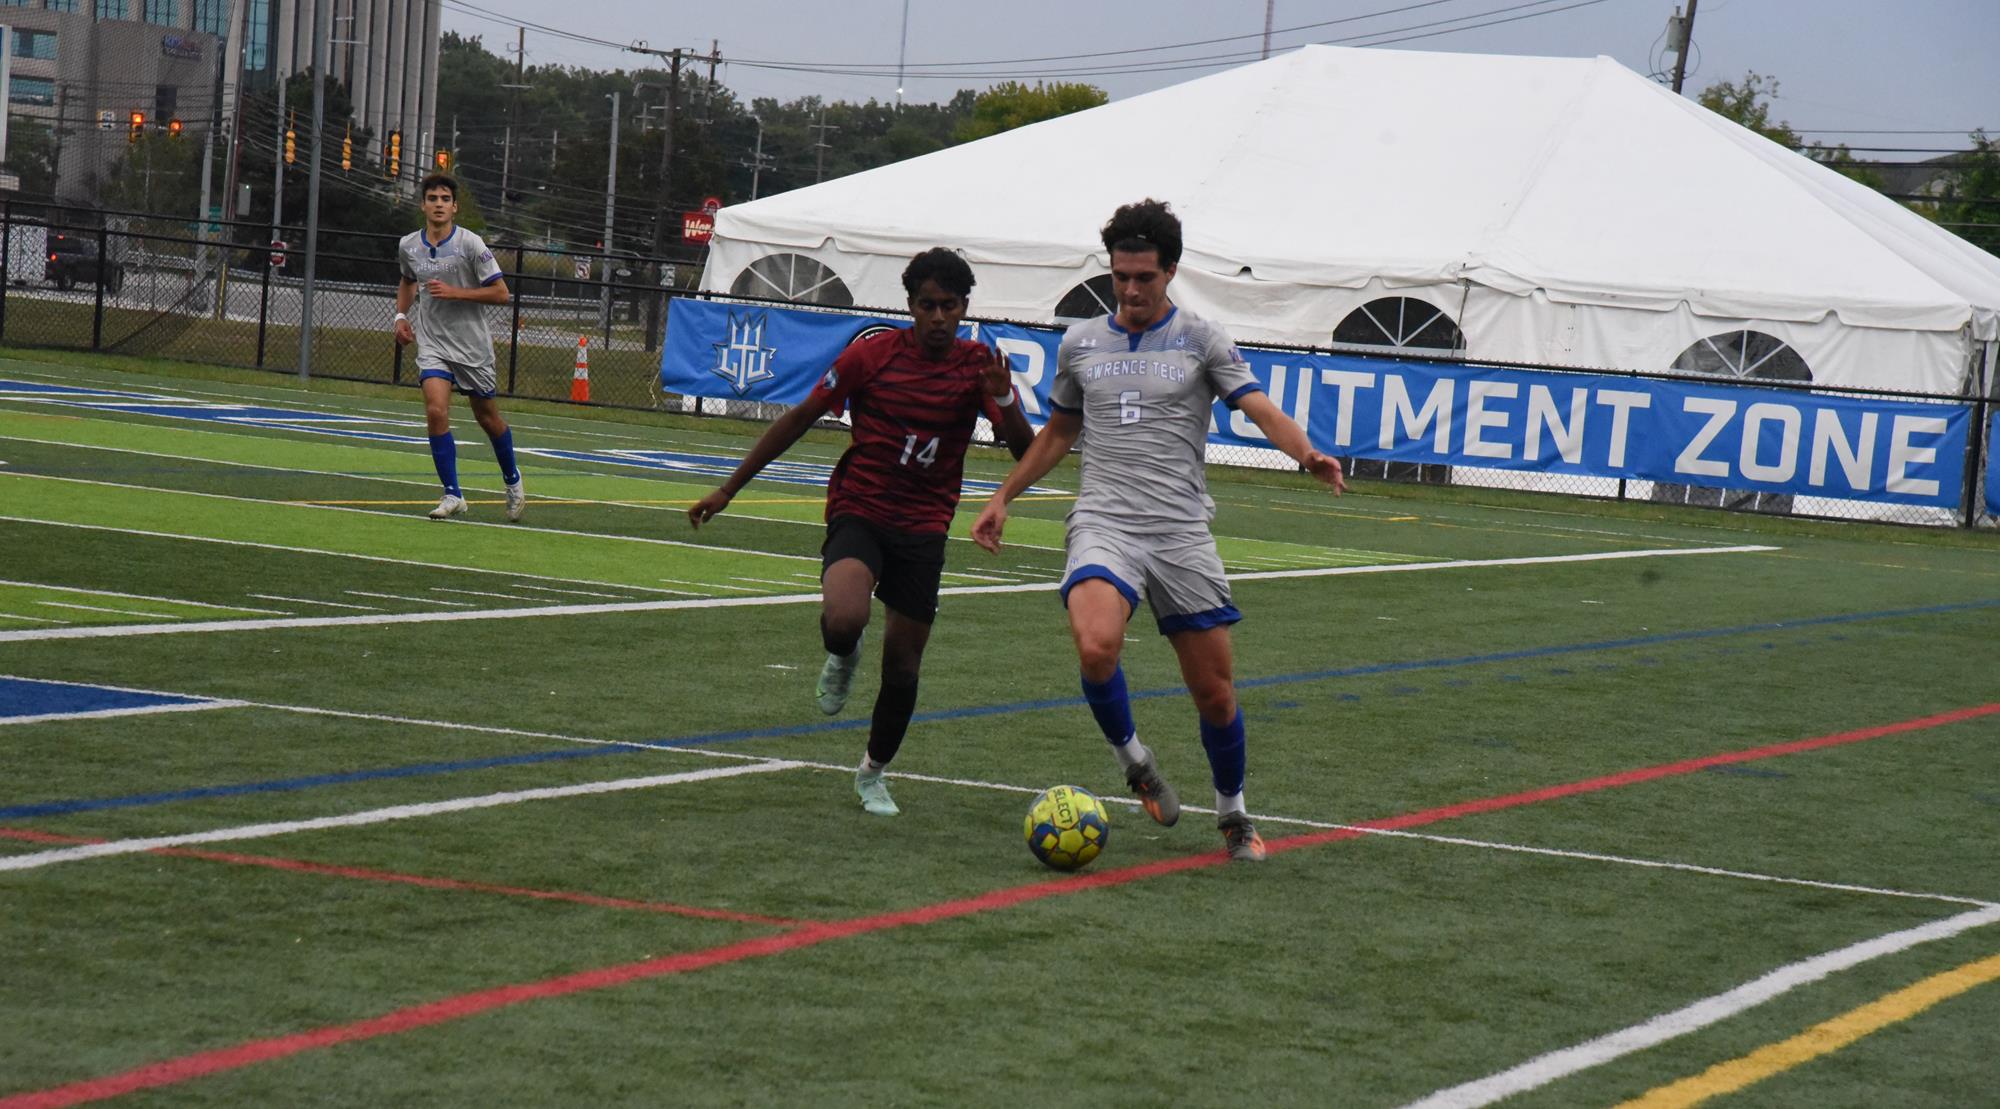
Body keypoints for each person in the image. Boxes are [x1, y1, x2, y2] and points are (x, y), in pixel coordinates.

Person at [971, 199, 1346, 862]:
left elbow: (1256, 404)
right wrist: (1004, 493)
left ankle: (1233, 813)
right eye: (1121, 276)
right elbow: (1061, 431)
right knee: (1095, 646)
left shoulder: (1202, 337)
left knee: (1215, 693)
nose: (1132, 289)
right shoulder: (1081, 342)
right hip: (1104, 520)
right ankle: (1136, 762)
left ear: (1170, 271)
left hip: (1180, 531)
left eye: (1145, 276)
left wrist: (1305, 452)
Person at [689, 248, 1036, 816]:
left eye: (950, 306)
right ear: (911, 306)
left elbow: (1027, 452)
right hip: (862, 510)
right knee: (845, 618)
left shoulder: (979, 367)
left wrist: (1001, 398)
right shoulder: (870, 356)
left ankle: (873, 772)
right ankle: (843, 651)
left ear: (964, 307)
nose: (939, 317)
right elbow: (800, 417)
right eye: (929, 306)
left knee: (903, 665)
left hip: (924, 527)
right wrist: (728, 489)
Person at [393, 173, 524, 522]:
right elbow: (408, 280)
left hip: (472, 345)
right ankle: (453, 493)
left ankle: (512, 479)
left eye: (445, 199)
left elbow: (501, 293)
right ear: (423, 204)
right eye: (432, 198)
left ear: (455, 207)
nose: (438, 204)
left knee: (487, 417)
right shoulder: (409, 245)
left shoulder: (471, 244)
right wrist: (401, 316)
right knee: (436, 411)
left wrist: (457, 293)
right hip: (433, 342)